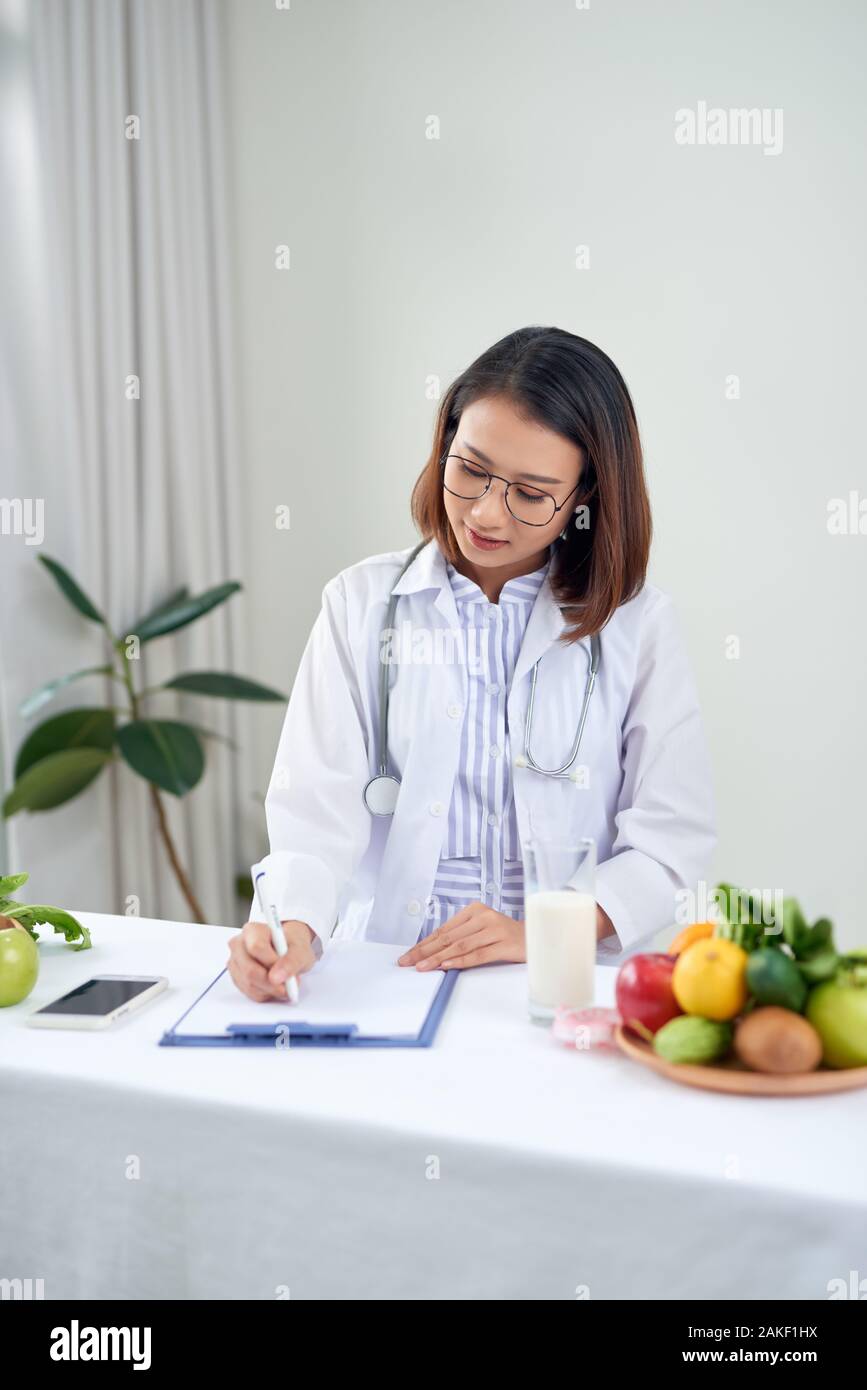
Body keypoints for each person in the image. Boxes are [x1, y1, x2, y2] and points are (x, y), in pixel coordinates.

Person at [227, 326, 716, 1002]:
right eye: (471, 469)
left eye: (531, 491)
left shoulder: (637, 625)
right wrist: (290, 931)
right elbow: (314, 814)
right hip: (394, 973)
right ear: (444, 446)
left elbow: (670, 842)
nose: (487, 512)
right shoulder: (360, 604)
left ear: (584, 497)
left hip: (562, 981)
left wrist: (537, 933)